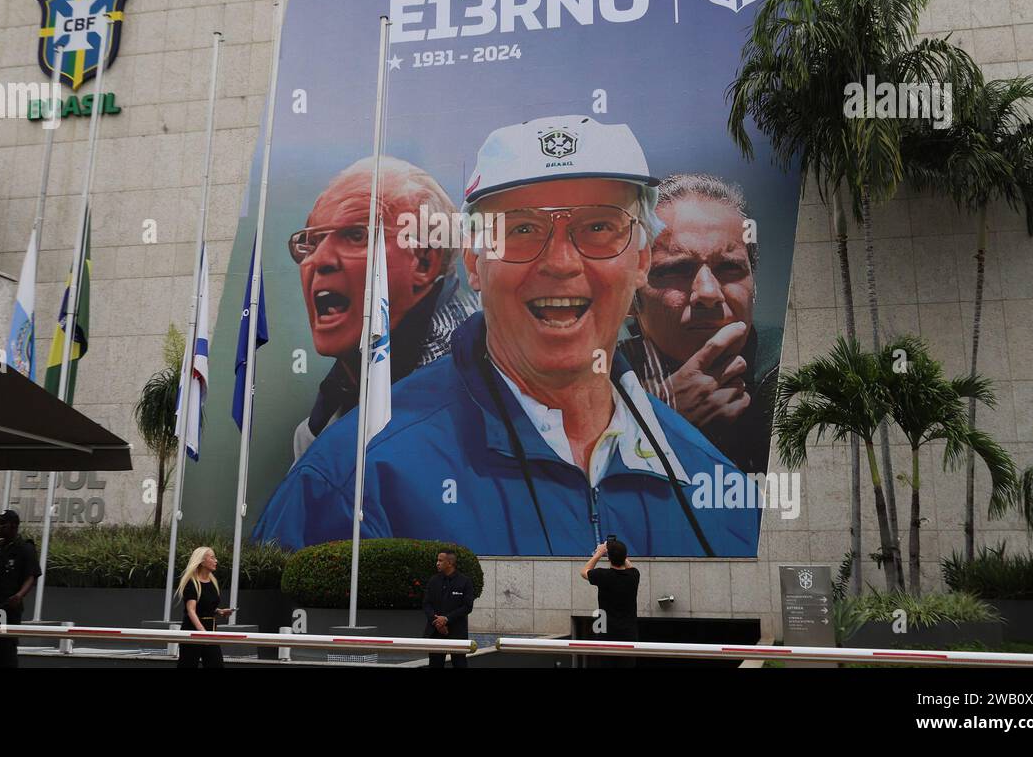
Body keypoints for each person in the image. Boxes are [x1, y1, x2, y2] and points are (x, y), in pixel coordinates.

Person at [255, 116, 760, 557]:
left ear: (642, 261)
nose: (561, 263)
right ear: (475, 263)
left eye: (598, 227)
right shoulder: (352, 479)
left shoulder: (718, 491)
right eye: (520, 229)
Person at [287, 155, 477, 461]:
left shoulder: (474, 395)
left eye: (356, 235)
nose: (318, 259)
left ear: (424, 261)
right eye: (312, 241)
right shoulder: (318, 427)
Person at [621, 174, 780, 474]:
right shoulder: (590, 387)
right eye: (676, 269)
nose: (708, 292)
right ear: (629, 299)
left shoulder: (793, 372)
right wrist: (661, 422)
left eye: (729, 267)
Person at [0, 510, 40, 668]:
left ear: (14, 526)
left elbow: (31, 576)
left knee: (5, 648)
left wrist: (19, 596)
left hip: (6, 608)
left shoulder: (25, 548)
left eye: (2, 524)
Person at [580, 538, 639, 668]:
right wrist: (618, 552)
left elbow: (584, 572)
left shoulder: (603, 575)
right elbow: (629, 566)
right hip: (628, 635)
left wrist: (599, 553)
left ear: (608, 558)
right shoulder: (634, 575)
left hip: (606, 634)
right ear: (625, 556)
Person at [175, 547, 231, 668]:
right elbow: (191, 610)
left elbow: (205, 606)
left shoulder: (213, 581)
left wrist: (219, 611)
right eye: (212, 557)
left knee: (216, 664)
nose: (216, 561)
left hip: (210, 630)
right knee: (188, 664)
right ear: (201, 561)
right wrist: (202, 631)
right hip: (193, 630)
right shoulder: (192, 582)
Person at [423, 548, 473, 668]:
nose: (437, 563)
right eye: (437, 560)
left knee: (460, 664)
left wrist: (446, 619)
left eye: (440, 560)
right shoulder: (433, 580)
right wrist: (437, 623)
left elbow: (467, 607)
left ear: (450, 563)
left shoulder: (465, 582)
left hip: (457, 632)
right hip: (436, 632)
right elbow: (426, 604)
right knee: (435, 665)